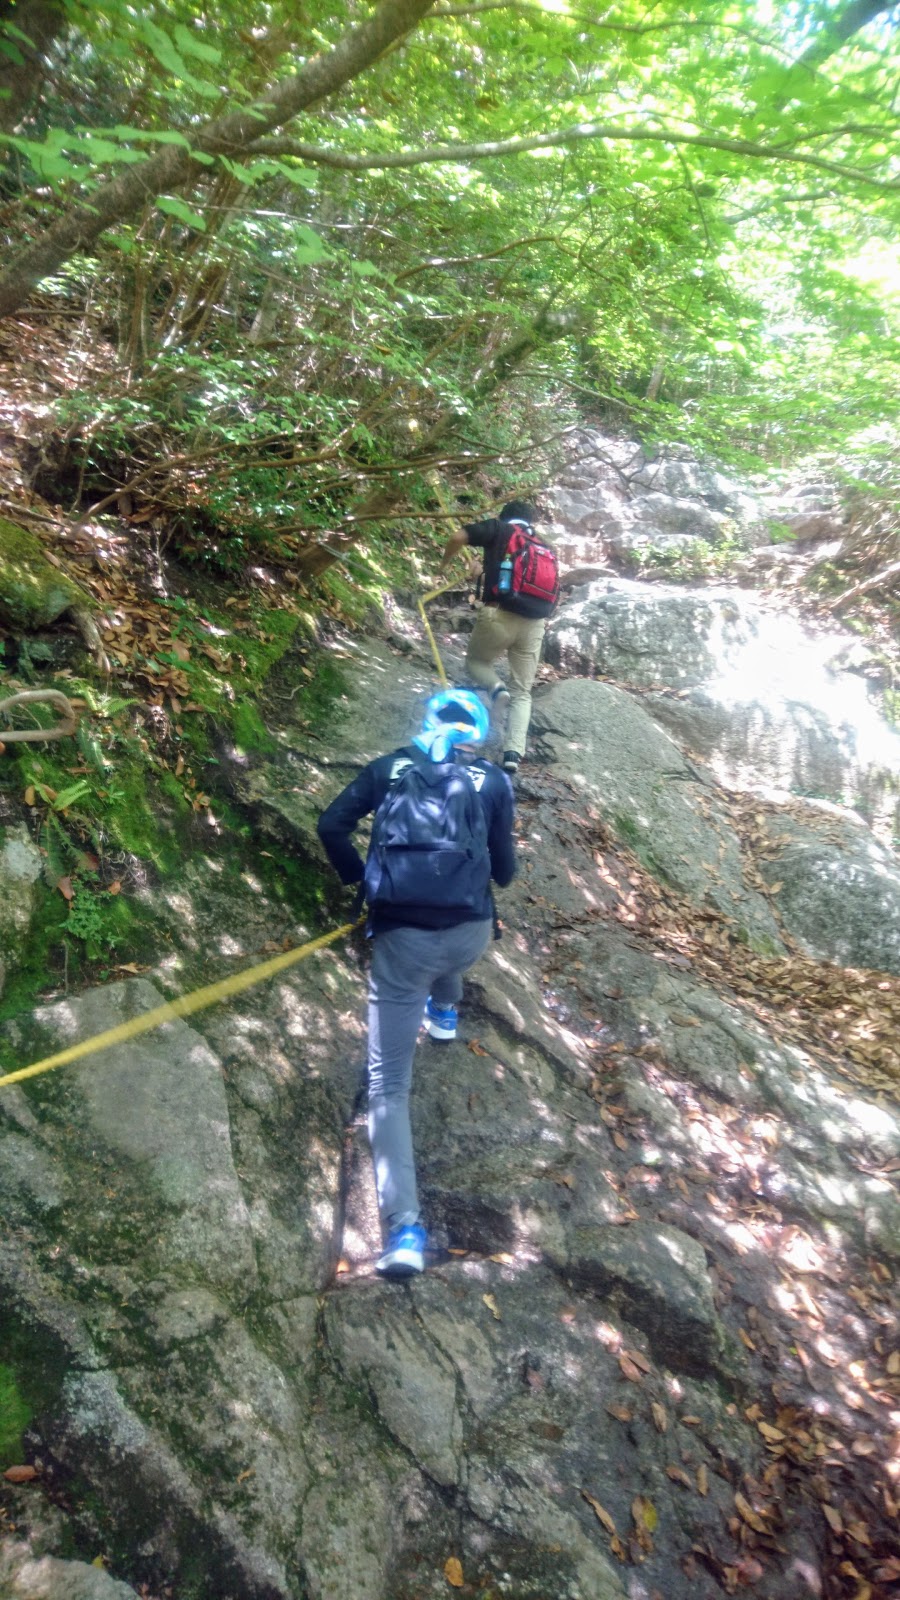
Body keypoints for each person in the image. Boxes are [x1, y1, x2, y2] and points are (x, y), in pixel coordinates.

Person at [316, 689, 516, 1278]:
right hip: (469, 934)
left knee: (388, 1086)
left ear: (424, 723)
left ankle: (405, 1230)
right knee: (456, 940)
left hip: (402, 941)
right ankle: (447, 1011)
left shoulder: (389, 769)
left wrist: (366, 879)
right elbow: (503, 873)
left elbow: (331, 826)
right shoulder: (492, 782)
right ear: (478, 733)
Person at [439, 498, 557, 776]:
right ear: (531, 522)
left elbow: (457, 536)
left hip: (498, 614)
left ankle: (495, 688)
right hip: (534, 623)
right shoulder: (542, 544)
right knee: (523, 691)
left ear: (505, 518)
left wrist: (444, 566)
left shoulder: (499, 530)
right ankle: (513, 753)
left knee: (476, 664)